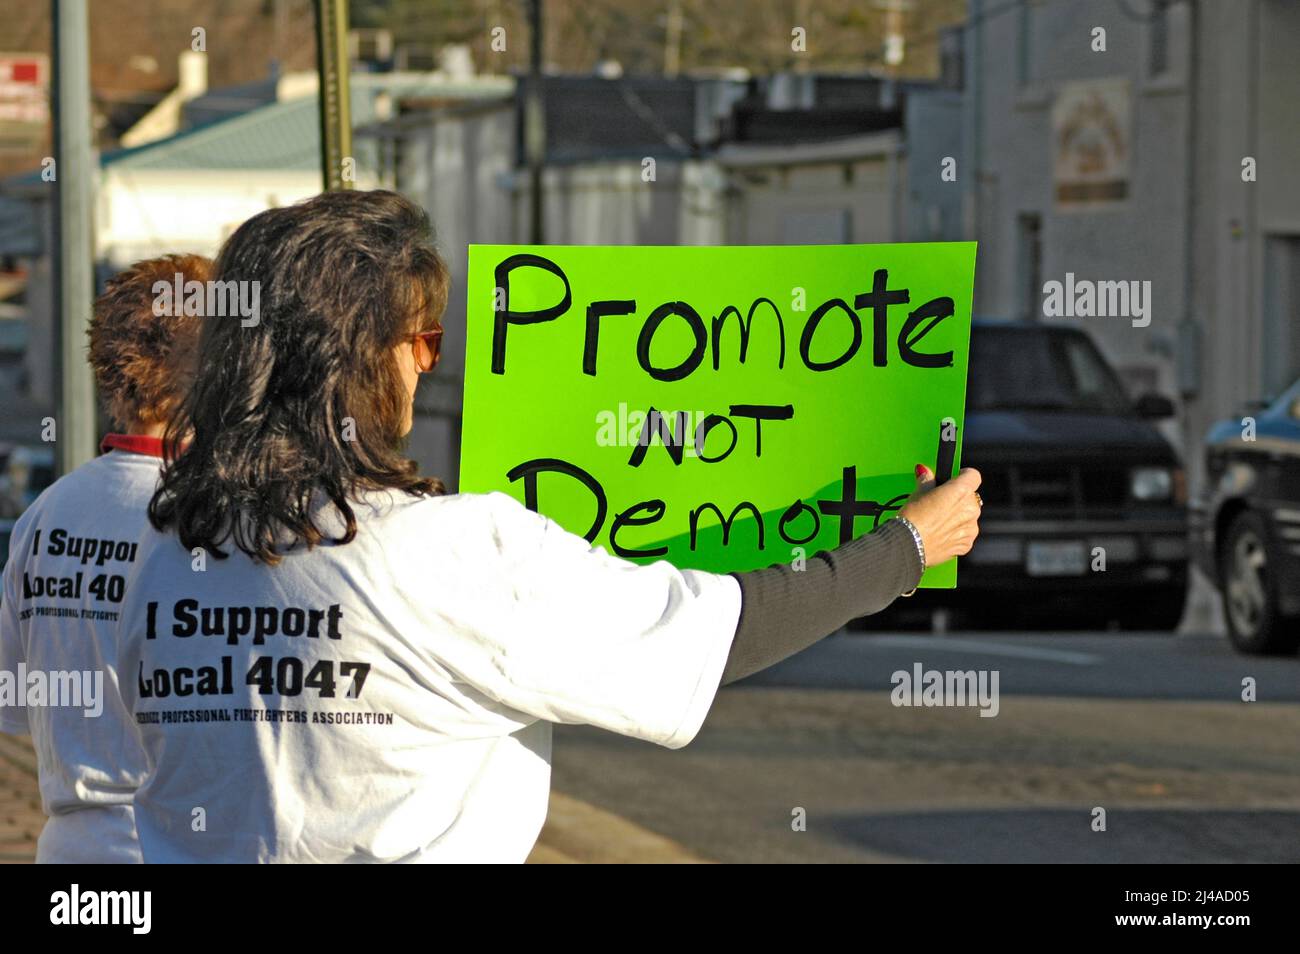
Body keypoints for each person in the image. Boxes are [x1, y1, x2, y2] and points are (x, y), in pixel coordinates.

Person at [118, 190, 981, 863]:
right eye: (422, 337)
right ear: (366, 355)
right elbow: (711, 637)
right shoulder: (446, 550)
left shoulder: (166, 549)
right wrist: (904, 549)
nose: (430, 359)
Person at [0, 253, 212, 863]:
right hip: (184, 845)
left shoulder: (46, 514)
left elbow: (17, 699)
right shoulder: (224, 517)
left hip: (71, 851)